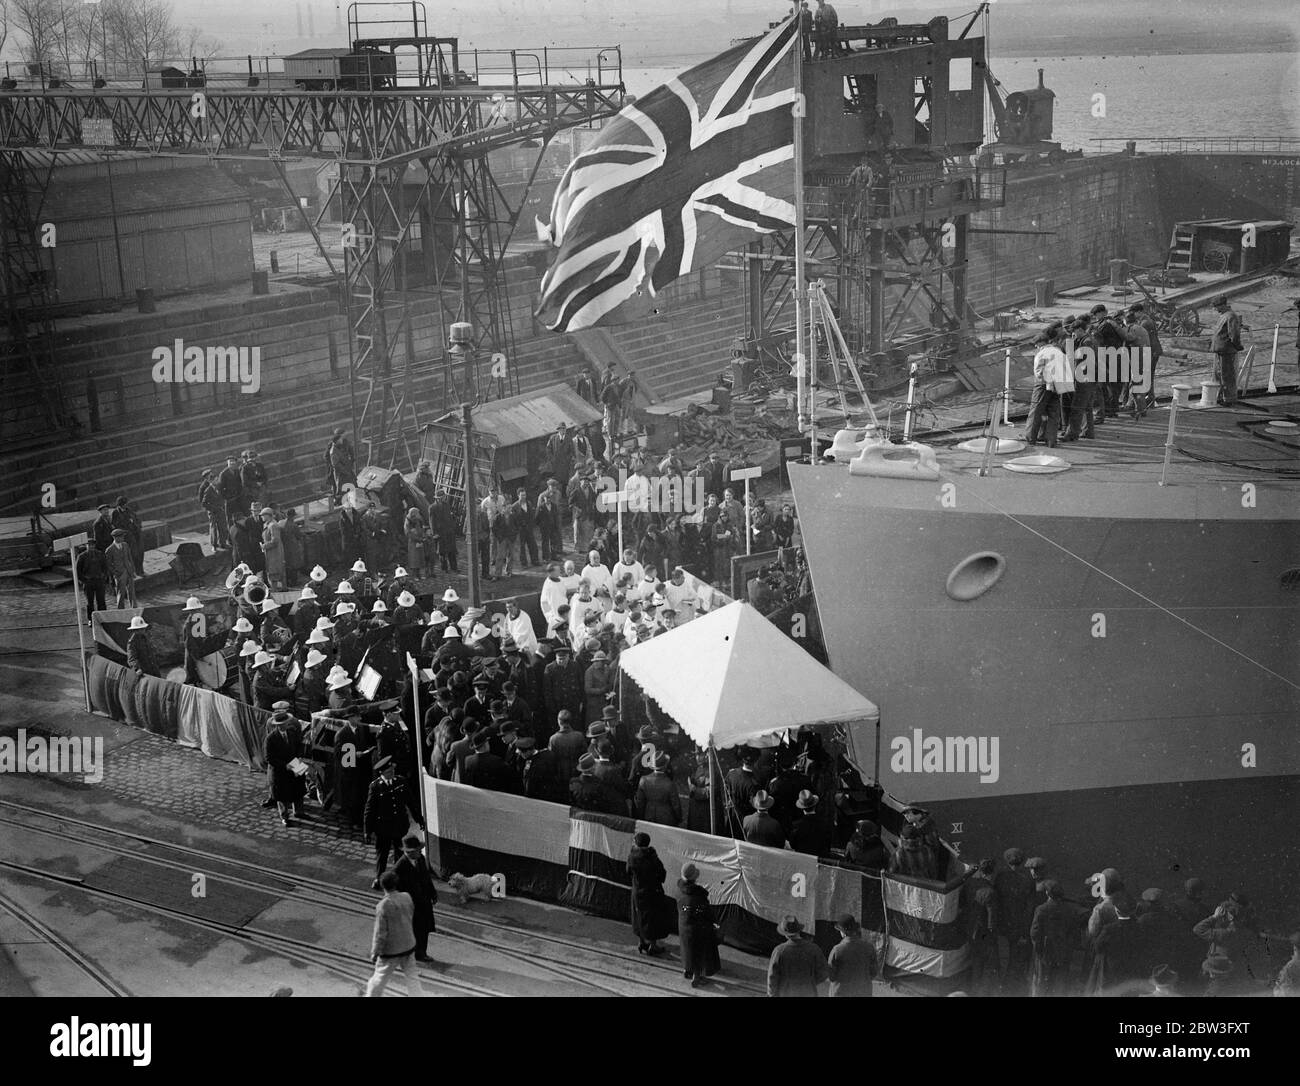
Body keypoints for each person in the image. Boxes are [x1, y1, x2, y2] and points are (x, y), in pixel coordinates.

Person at [363, 870, 424, 997]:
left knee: (379, 978)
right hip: (408, 945)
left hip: (391, 951)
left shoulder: (383, 905)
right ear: (396, 884)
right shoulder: (407, 897)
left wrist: (375, 952)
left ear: (382, 886)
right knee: (412, 977)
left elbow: (380, 933)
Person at [364, 754, 421, 889]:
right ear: (382, 773)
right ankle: (379, 878)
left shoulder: (401, 782)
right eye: (389, 772)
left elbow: (410, 802)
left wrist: (419, 818)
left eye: (393, 771)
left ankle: (398, 878)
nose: (392, 774)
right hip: (383, 828)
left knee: (400, 853)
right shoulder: (375, 787)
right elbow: (369, 810)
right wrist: (367, 831)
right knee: (382, 855)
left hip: (399, 825)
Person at [1029, 880, 1082, 997]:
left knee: (1041, 983)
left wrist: (1038, 950)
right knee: (1060, 984)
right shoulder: (1071, 910)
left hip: (1045, 952)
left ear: (1047, 893)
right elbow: (1075, 934)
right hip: (1063, 953)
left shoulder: (1041, 909)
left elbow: (1034, 933)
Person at [393, 834, 438, 963]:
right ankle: (411, 953)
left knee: (424, 929)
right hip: (411, 906)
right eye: (417, 850)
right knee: (413, 930)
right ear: (409, 852)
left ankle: (421, 953)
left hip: (424, 902)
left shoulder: (421, 859)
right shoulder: (400, 867)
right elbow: (396, 889)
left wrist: (433, 893)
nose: (420, 852)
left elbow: (427, 878)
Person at [627, 832, 672, 956]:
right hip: (652, 891)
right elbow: (661, 873)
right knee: (653, 919)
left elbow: (628, 871)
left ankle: (641, 942)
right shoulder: (652, 857)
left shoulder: (632, 857)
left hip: (637, 891)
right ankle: (653, 945)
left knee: (638, 916)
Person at [676, 863, 721, 988]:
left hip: (683, 924)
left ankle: (687, 969)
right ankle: (697, 977)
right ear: (695, 877)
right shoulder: (699, 896)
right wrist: (715, 923)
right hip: (698, 928)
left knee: (687, 949)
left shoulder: (679, 891)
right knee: (700, 951)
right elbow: (706, 912)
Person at [1023, 324, 1068, 447]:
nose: (1036, 347)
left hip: (1042, 385)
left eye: (1037, 344)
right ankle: (1051, 440)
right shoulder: (1058, 350)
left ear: (1041, 343)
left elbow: (1038, 372)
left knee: (1036, 411)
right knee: (1054, 413)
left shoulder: (1041, 353)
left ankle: (1031, 438)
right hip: (1057, 385)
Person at [767, 916, 827, 997]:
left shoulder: (779, 951)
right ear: (799, 930)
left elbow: (772, 977)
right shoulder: (814, 949)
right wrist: (810, 982)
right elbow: (823, 973)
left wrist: (772, 994)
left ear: (786, 934)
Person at [827, 913, 876, 997]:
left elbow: (831, 976)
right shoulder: (869, 947)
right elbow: (874, 972)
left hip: (841, 992)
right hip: (863, 992)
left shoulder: (837, 950)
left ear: (843, 932)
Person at [1209, 295, 1244, 405]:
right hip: (1220, 350)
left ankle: (1229, 399)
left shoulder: (1231, 316)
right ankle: (1220, 397)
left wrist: (1237, 346)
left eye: (1216, 307)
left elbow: (1234, 335)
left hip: (1226, 351)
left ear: (1223, 305)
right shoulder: (1224, 315)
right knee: (1218, 375)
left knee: (1227, 376)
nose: (1215, 309)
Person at [634, 753, 682, 826]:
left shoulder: (644, 780)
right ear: (665, 766)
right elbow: (676, 805)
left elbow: (640, 803)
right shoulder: (669, 784)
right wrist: (679, 818)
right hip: (667, 818)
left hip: (649, 815)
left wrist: (641, 817)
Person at [74, 540, 109, 625]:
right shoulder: (82, 556)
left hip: (99, 581)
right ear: (86, 546)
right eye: (89, 545)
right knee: (90, 602)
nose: (91, 547)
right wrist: (84, 580)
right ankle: (91, 619)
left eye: (92, 545)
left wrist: (103, 576)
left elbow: (105, 566)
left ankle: (103, 618)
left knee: (101, 600)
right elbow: (77, 570)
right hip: (88, 582)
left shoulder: (100, 554)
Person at [788, 790, 832, 856]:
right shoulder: (825, 823)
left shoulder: (796, 825)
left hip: (802, 858)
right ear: (815, 805)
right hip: (820, 860)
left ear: (802, 808)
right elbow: (828, 845)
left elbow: (792, 845)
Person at [106, 528, 138, 607]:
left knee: (132, 593)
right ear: (115, 537)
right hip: (119, 574)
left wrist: (133, 570)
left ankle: (134, 609)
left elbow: (130, 558)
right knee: (121, 593)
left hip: (129, 572)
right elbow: (108, 564)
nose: (123, 538)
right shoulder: (109, 550)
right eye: (121, 537)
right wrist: (115, 573)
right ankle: (121, 610)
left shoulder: (125, 545)